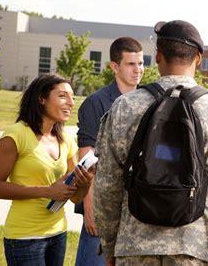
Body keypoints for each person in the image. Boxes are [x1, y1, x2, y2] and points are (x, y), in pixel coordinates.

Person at [93, 20, 208, 265]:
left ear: (158, 56)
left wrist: (111, 245)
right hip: (197, 249)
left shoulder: (124, 107)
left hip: (135, 246)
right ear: (198, 58)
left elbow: (107, 185)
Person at [0, 74, 93, 266]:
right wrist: (47, 191)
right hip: (25, 236)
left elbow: (76, 198)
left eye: (72, 97)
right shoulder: (16, 135)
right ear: (41, 98)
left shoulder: (66, 140)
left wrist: (85, 184)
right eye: (62, 96)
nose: (70, 103)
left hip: (58, 233)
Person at [74, 36, 144, 266]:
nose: (138, 70)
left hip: (135, 206)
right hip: (103, 204)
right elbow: (87, 157)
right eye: (131, 64)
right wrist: (90, 206)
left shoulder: (148, 101)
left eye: (141, 63)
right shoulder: (96, 103)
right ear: (115, 66)